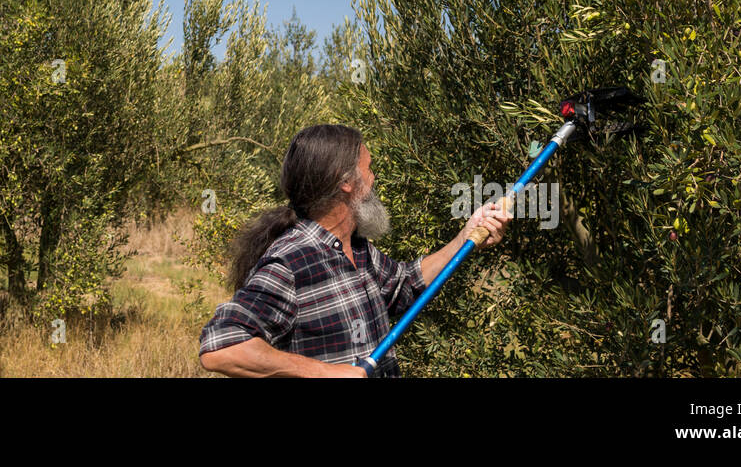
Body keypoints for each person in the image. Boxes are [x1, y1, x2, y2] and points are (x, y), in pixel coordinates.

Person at [199, 123, 511, 377]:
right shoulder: (291, 262)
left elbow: (407, 283)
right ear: (346, 181)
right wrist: (324, 373)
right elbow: (221, 348)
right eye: (369, 168)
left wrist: (465, 237)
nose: (374, 178)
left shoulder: (360, 251)